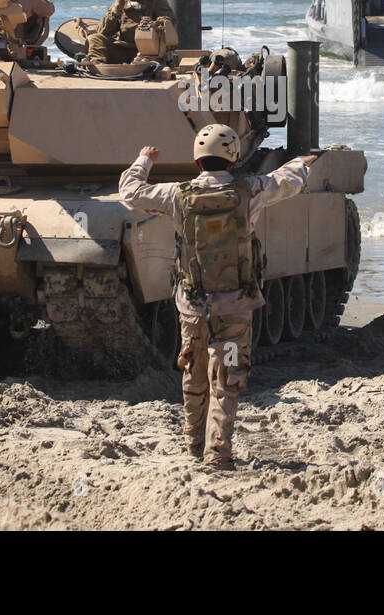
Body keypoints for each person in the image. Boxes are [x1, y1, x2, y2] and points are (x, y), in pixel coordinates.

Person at [118, 126, 316, 470]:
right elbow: (285, 181)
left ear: (197, 160)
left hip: (193, 306)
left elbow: (131, 192)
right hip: (235, 307)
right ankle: (218, 453)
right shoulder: (250, 190)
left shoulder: (176, 194)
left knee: (194, 373)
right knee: (226, 377)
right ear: (234, 158)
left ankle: (194, 444)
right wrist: (304, 161)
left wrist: (143, 161)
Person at [86, 0, 178, 64]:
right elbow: (103, 31)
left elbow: (170, 21)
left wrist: (154, 23)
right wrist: (116, 10)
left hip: (147, 50)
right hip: (122, 49)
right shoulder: (121, 2)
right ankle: (97, 65)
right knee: (94, 38)